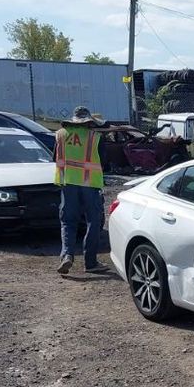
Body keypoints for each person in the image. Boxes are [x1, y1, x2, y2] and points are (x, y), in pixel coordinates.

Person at [54, 106, 110, 275]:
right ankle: (90, 263)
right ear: (89, 122)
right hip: (90, 185)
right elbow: (105, 163)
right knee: (93, 222)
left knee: (68, 222)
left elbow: (54, 158)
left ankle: (67, 255)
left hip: (68, 183)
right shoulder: (95, 137)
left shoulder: (60, 135)